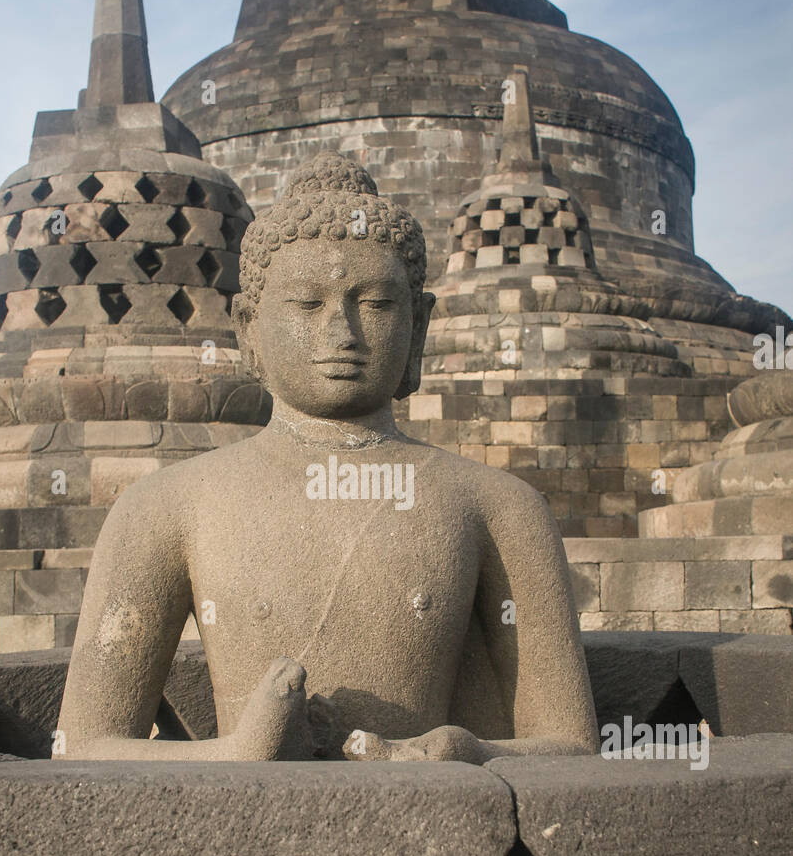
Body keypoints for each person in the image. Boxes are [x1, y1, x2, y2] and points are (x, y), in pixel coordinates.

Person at [57, 154, 598, 763]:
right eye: (308, 305)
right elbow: (82, 746)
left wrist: (463, 751)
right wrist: (232, 754)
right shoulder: (164, 508)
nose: (342, 333)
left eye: (375, 304)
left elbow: (571, 747)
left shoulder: (500, 507)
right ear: (248, 330)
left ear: (418, 328)